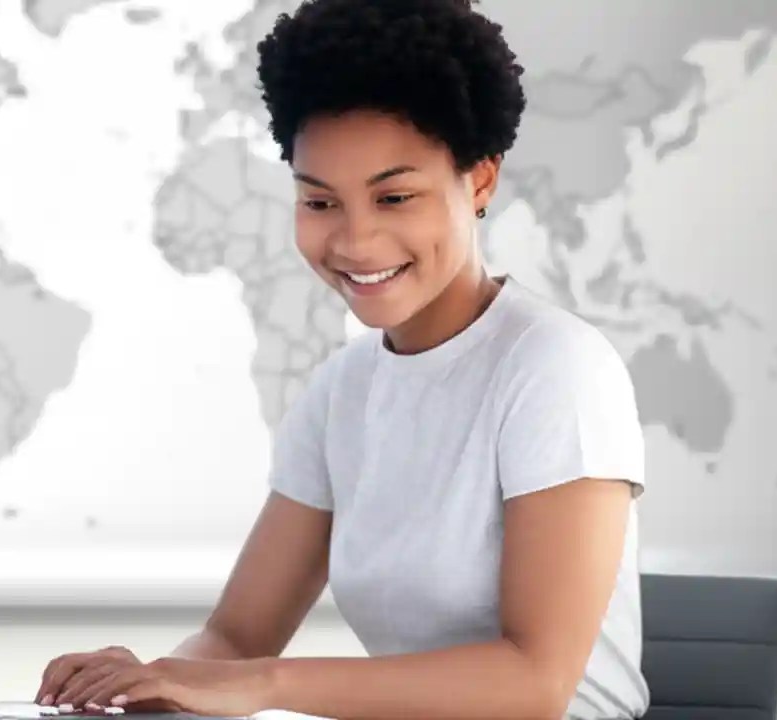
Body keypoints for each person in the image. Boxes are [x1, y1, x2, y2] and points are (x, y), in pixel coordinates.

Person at [36, 1, 649, 717]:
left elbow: (535, 683)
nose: (356, 242)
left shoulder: (557, 369)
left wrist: (264, 683)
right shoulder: (344, 390)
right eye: (320, 202)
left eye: (394, 197)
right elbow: (236, 639)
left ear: (479, 181)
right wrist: (145, 685)